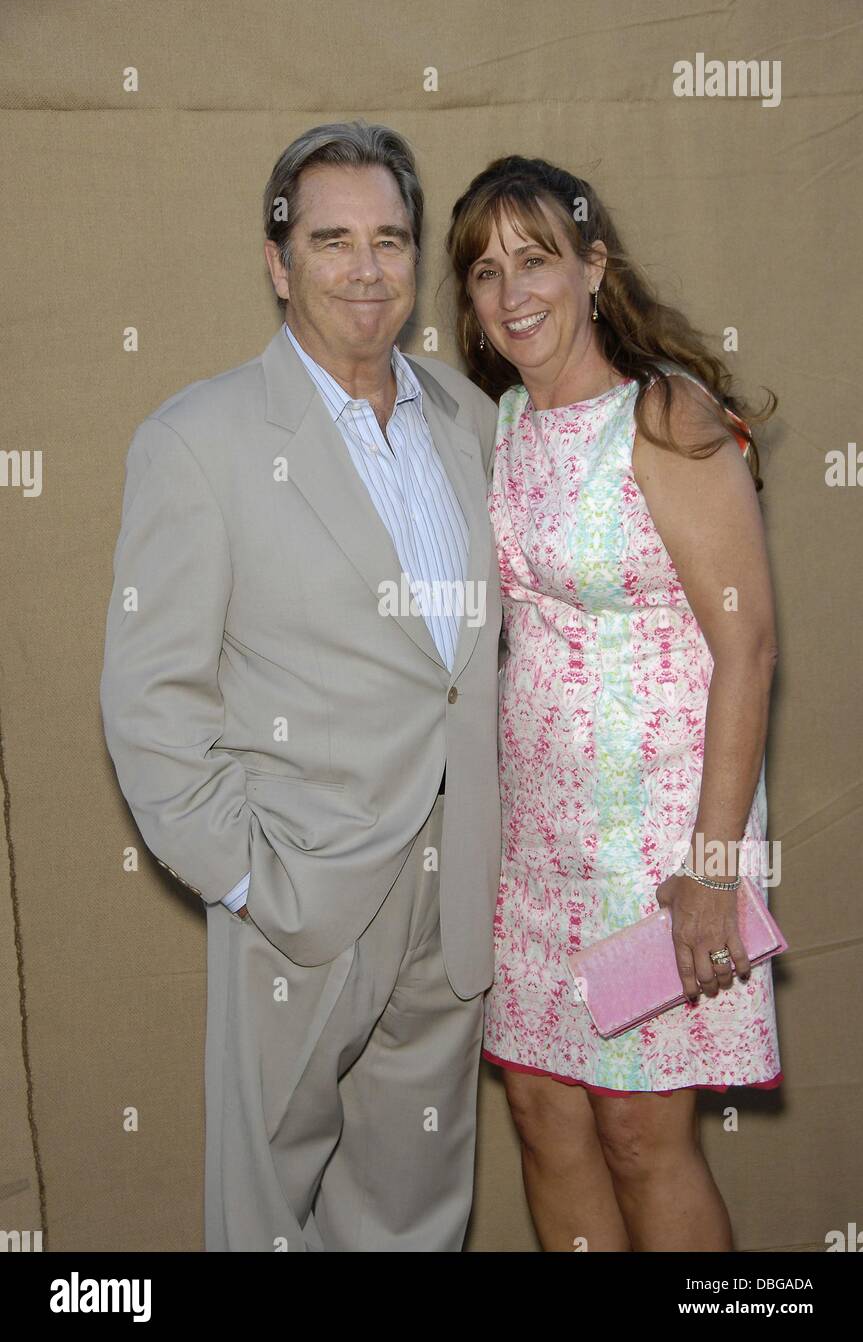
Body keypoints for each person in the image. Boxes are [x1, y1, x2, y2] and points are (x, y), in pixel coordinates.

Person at [99, 121, 503, 1251]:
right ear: (279, 263)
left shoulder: (469, 420)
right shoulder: (199, 438)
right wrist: (244, 877)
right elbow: (150, 696)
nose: (365, 267)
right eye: (331, 240)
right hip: (298, 895)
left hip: (453, 890)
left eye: (388, 238)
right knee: (264, 1218)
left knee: (413, 1211)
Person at [444, 154, 783, 1252]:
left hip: (658, 854)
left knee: (641, 1134)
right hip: (535, 853)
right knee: (545, 1119)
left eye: (534, 259)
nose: (511, 294)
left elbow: (749, 647)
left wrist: (711, 870)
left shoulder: (664, 417)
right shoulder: (500, 429)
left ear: (593, 267)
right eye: (485, 271)